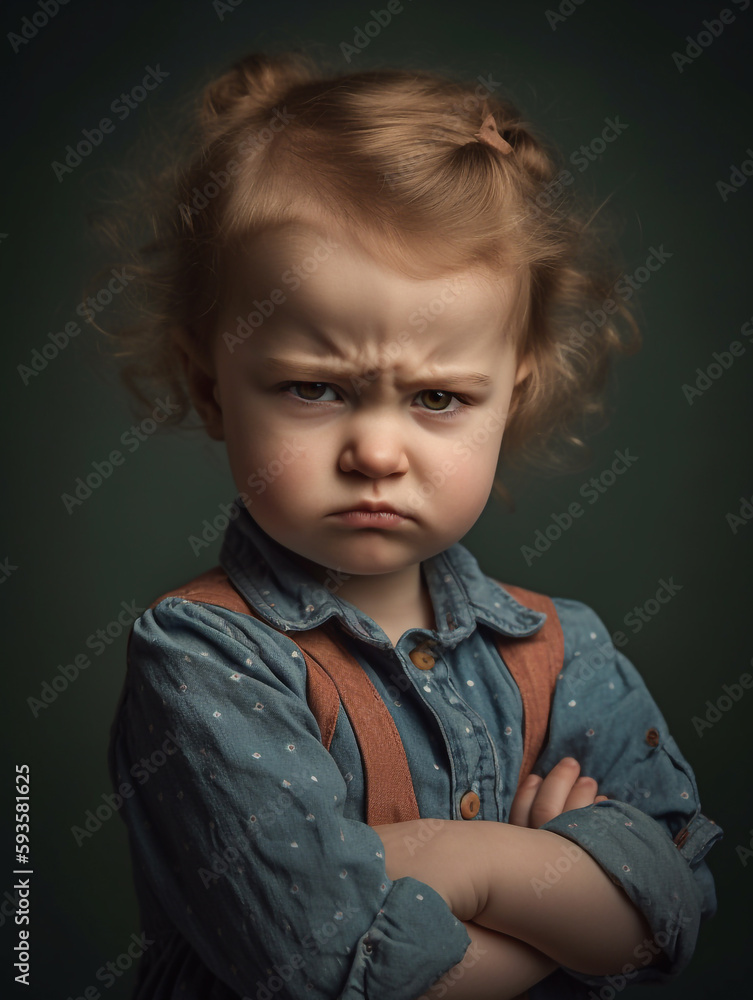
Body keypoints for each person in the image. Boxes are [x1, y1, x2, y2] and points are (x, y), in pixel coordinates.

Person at [100, 50, 722, 1000]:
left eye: (437, 397)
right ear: (207, 386)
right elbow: (317, 964)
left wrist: (448, 861)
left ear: (506, 401)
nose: (377, 453)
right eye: (314, 388)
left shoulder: (568, 652)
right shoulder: (202, 658)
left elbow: (671, 908)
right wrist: (539, 881)